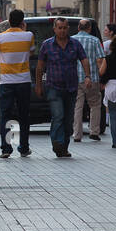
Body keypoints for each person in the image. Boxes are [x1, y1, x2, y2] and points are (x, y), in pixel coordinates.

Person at [35, 16, 91, 158]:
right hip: (53, 87)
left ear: (68, 28)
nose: (62, 30)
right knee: (58, 115)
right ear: (54, 29)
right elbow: (40, 66)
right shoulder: (47, 45)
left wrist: (88, 76)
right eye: (59, 28)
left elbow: (84, 59)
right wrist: (38, 85)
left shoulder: (75, 44)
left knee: (68, 120)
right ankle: (57, 142)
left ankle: (64, 146)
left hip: (71, 87)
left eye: (65, 28)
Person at [0, 8, 34, 158]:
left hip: (6, 82)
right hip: (24, 81)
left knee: (6, 115)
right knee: (24, 115)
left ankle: (7, 148)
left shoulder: (0, 38)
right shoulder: (28, 36)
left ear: (8, 20)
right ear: (22, 22)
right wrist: (24, 30)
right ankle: (24, 147)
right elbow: (31, 52)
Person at [72, 19, 105, 143]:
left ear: (78, 28)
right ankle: (94, 132)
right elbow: (100, 60)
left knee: (77, 106)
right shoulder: (95, 40)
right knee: (95, 105)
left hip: (75, 78)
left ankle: (77, 134)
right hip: (92, 78)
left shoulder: (72, 40)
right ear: (89, 28)